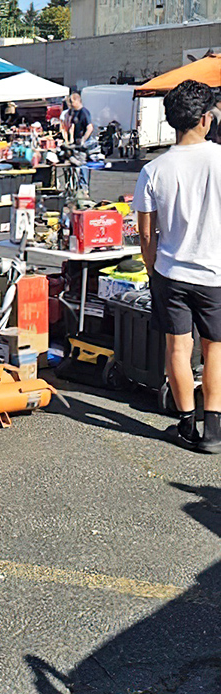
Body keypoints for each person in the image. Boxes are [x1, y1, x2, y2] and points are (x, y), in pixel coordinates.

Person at [134, 79, 221, 453]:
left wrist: (153, 269)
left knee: (177, 348)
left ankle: (186, 425)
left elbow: (145, 233)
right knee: (215, 348)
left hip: (171, 271)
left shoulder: (154, 170)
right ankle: (214, 430)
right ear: (205, 119)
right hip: (216, 272)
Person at [68, 91, 94, 190]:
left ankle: (84, 188)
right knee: (76, 166)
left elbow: (90, 128)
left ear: (77, 101)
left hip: (84, 144)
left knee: (83, 166)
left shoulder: (84, 112)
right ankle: (77, 187)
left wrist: (83, 140)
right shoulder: (75, 113)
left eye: (71, 101)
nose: (70, 104)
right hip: (76, 143)